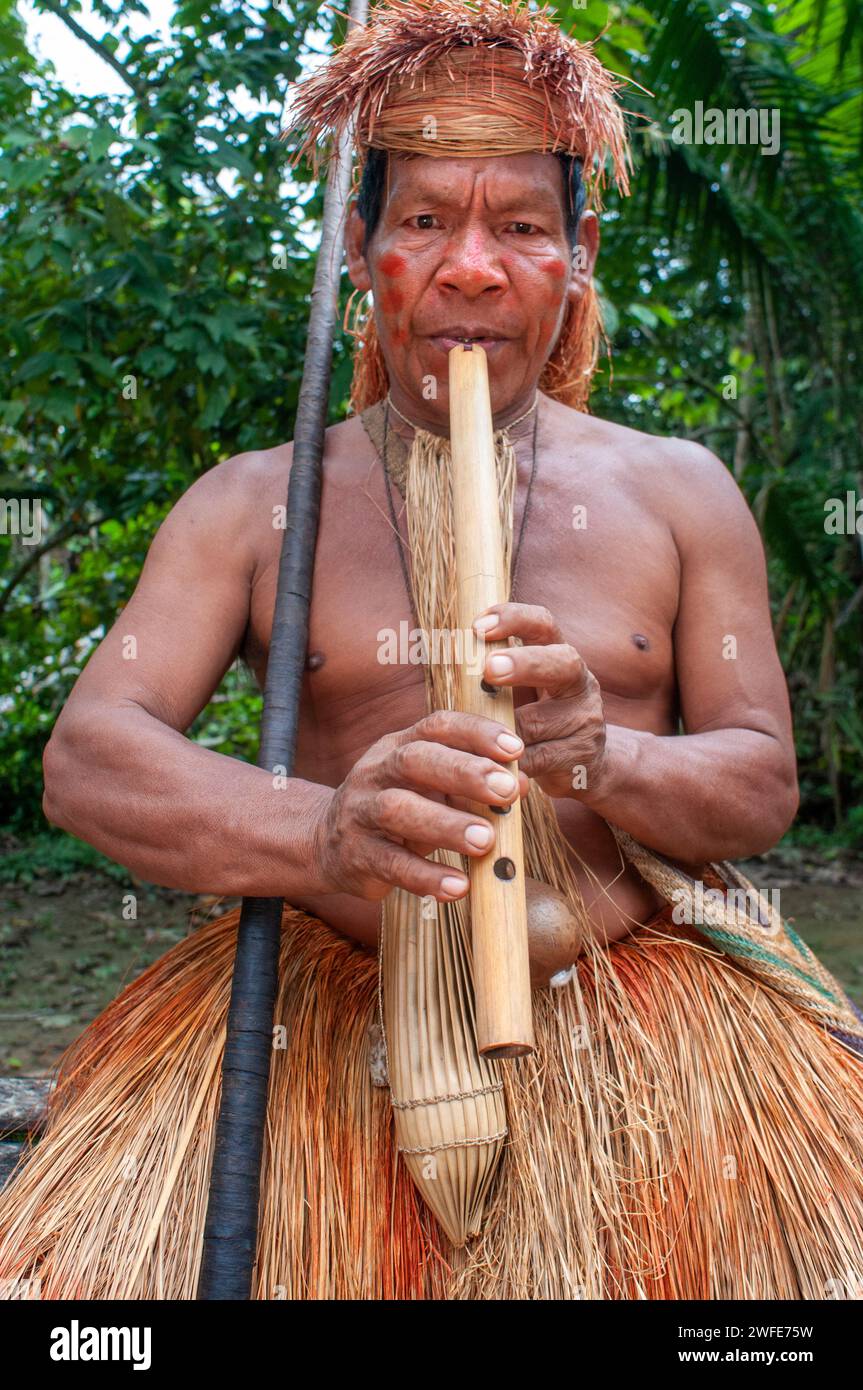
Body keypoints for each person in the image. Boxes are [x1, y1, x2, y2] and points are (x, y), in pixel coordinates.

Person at [1, 0, 862, 1300]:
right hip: (328, 1027)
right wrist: (323, 830)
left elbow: (759, 783)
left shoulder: (683, 492)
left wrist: (602, 754)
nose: (472, 267)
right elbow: (90, 760)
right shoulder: (254, 504)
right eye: (423, 222)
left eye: (519, 225)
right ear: (362, 252)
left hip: (646, 1015)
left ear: (576, 254)